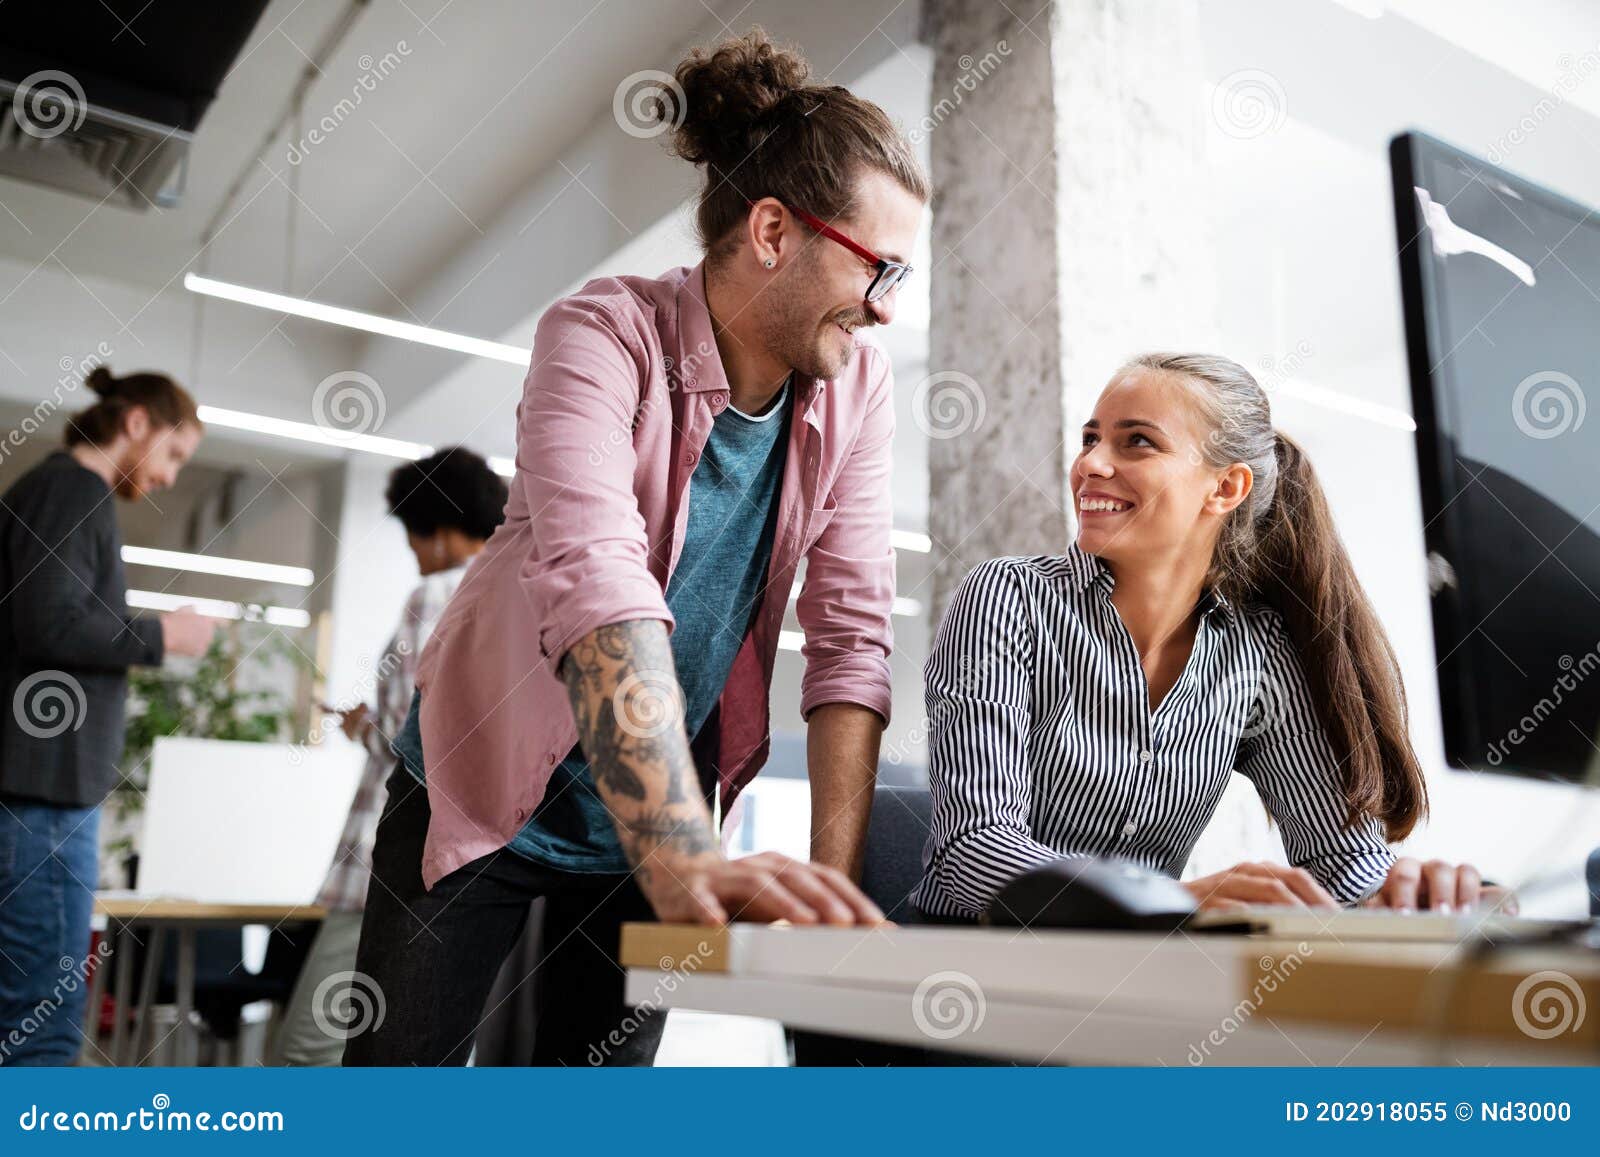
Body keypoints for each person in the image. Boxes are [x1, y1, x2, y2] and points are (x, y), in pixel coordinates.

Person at [346, 27, 926, 1067]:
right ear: (770, 230)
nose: (887, 310)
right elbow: (597, 579)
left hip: (650, 811)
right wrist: (677, 846)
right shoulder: (602, 334)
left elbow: (848, 631)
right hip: (482, 783)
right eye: (879, 268)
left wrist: (832, 904)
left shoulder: (855, 386)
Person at [912, 353, 1509, 921]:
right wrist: (1170, 900)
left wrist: (1415, 893)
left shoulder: (1256, 650)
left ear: (1225, 488)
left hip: (1133, 975)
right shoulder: (1006, 598)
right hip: (973, 964)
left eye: (1135, 441)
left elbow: (1341, 863)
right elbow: (972, 853)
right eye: (1091, 438)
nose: (1090, 464)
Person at [0, 366, 215, 1065]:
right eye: (175, 453)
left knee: (27, 1014)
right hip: (46, 804)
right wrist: (164, 635)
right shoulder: (71, 490)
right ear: (137, 424)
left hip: (40, 801)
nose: (171, 476)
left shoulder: (59, 492)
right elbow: (51, 624)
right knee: (44, 1022)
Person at [273, 448, 506, 1066]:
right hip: (471, 871)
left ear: (437, 527)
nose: (414, 553)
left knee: (305, 1056)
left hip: (389, 862)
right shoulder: (520, 594)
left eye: (413, 537)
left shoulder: (435, 595)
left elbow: (417, 744)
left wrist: (366, 726)